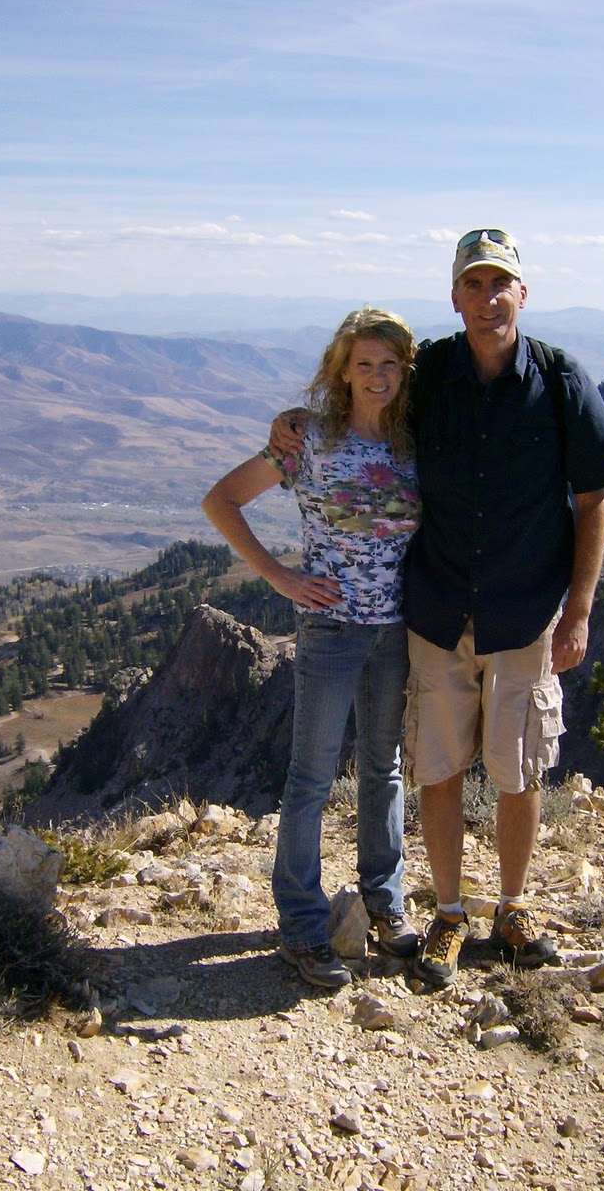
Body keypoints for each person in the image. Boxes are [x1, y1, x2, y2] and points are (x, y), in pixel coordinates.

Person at [271, 229, 604, 989]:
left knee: (518, 771)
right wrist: (298, 422)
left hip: (523, 614)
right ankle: (448, 915)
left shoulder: (562, 381)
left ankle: (512, 907)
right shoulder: (430, 369)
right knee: (435, 769)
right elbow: (365, 392)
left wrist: (580, 609)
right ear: (456, 297)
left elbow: (593, 499)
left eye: (501, 284)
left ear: (522, 294)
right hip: (436, 612)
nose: (488, 298)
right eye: (474, 284)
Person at [203, 308, 423, 989]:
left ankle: (383, 903)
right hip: (329, 630)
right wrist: (280, 577)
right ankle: (301, 928)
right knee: (312, 778)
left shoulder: (418, 441)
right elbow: (222, 500)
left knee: (384, 769)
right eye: (364, 364)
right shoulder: (308, 442)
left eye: (390, 364)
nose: (378, 377)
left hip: (395, 629)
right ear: (342, 370)